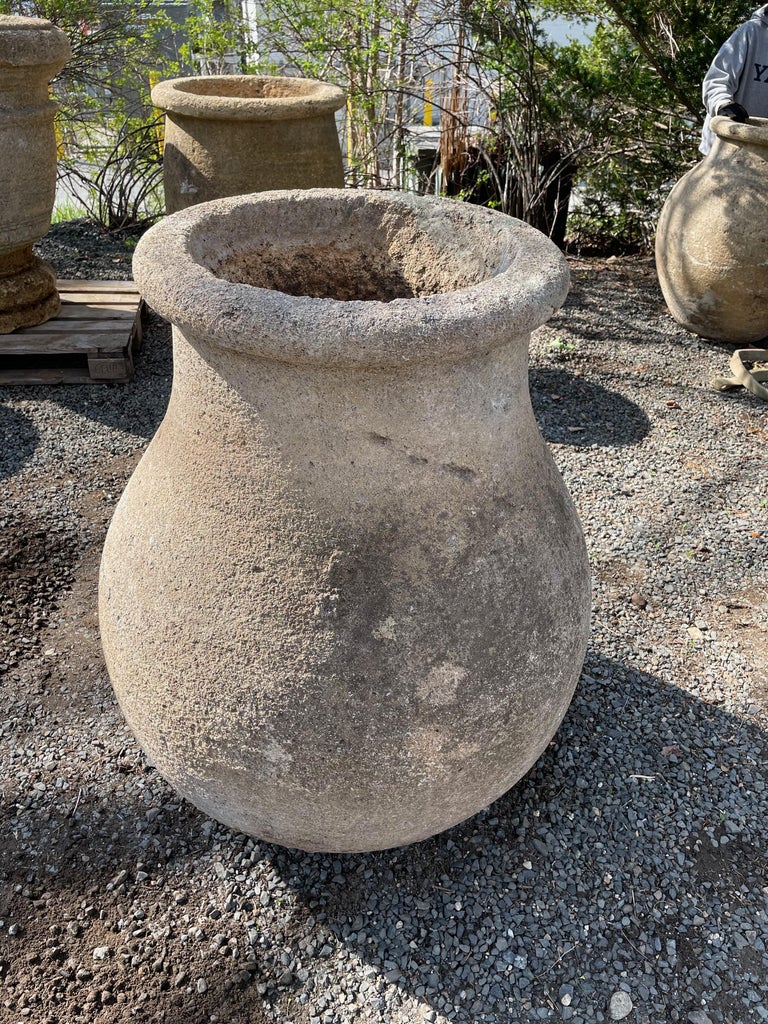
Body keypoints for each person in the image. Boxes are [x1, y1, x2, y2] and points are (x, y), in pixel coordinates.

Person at [700, 3, 768, 154]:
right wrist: (723, 105)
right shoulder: (751, 32)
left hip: (763, 153)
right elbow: (716, 80)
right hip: (723, 149)